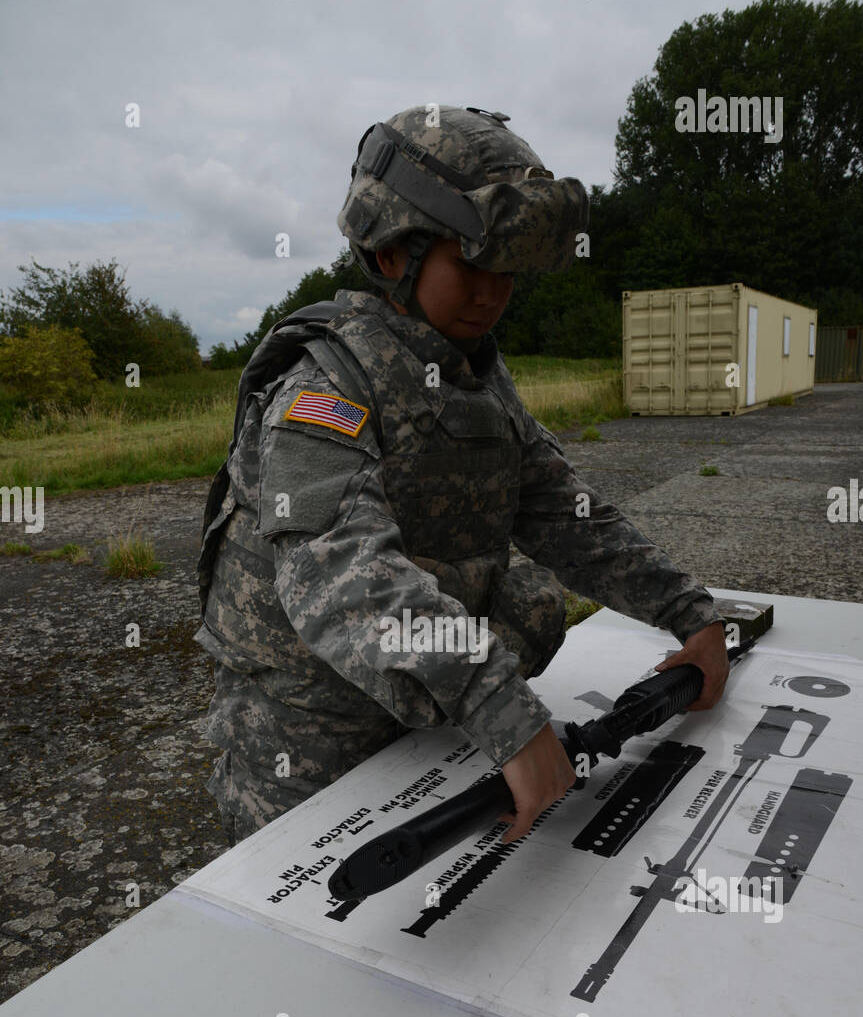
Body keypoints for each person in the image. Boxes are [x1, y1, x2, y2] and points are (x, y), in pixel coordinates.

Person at [195, 104, 729, 850]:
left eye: (507, 271)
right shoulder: (326, 386)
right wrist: (504, 714)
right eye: (471, 265)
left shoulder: (470, 375)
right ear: (390, 254)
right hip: (311, 726)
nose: (492, 292)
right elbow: (342, 569)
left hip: (423, 703)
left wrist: (689, 615)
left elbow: (562, 510)